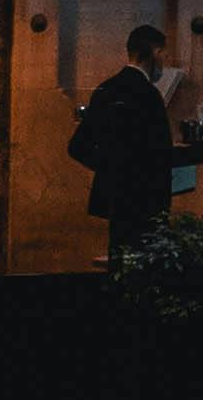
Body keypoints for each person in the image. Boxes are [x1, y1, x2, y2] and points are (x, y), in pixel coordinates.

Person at [68, 24, 183, 268]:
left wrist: (111, 168)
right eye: (163, 54)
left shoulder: (105, 90)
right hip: (148, 200)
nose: (164, 61)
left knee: (120, 265)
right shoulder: (149, 96)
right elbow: (161, 153)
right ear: (152, 51)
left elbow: (78, 146)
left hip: (116, 201)